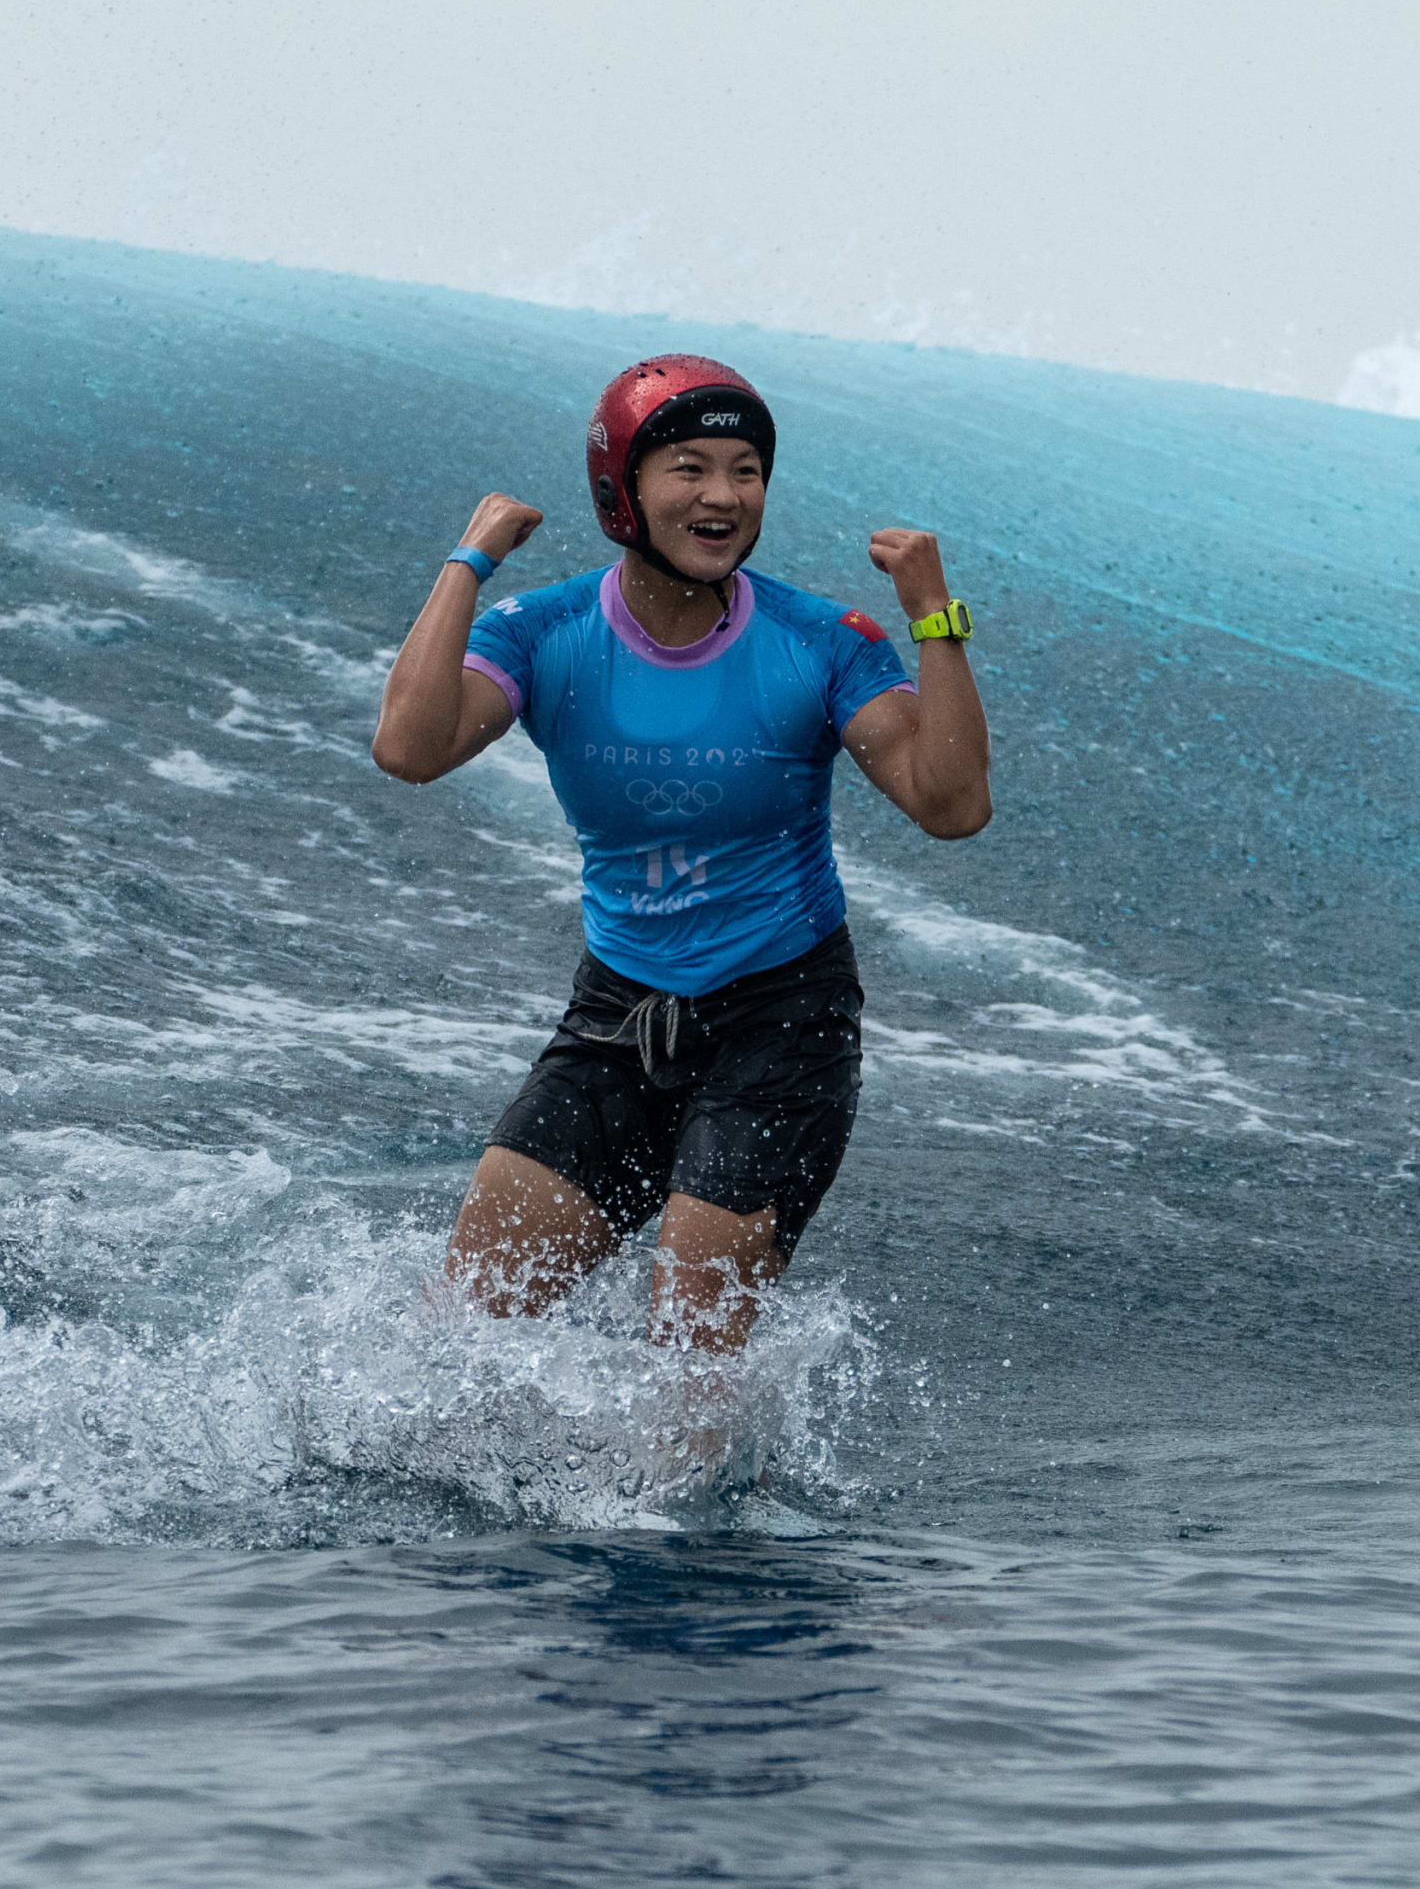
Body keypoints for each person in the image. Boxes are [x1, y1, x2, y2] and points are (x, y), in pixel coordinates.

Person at [370, 353, 989, 1352]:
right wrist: (468, 561)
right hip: (618, 1016)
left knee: (693, 1362)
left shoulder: (822, 640)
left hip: (780, 1024)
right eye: (689, 467)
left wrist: (933, 614)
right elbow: (409, 747)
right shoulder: (546, 631)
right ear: (622, 489)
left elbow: (951, 803)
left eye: (746, 469)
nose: (723, 495)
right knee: (460, 1327)